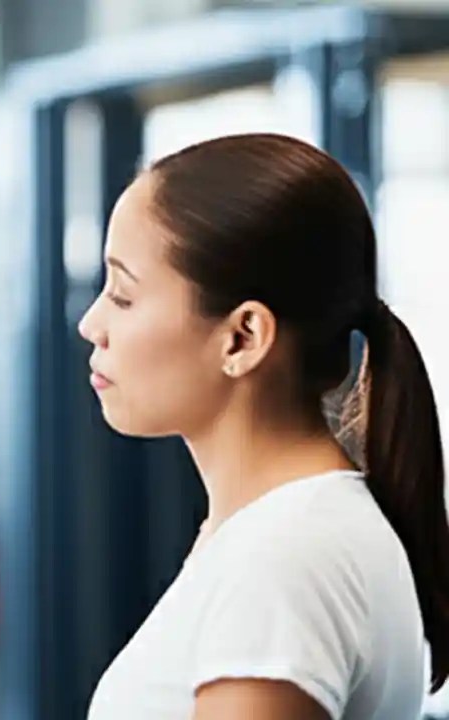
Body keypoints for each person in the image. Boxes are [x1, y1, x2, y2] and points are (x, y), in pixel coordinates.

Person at [80, 133, 449, 720]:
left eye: (123, 296)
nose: (90, 324)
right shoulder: (283, 533)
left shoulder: (281, 556)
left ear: (242, 337)